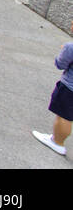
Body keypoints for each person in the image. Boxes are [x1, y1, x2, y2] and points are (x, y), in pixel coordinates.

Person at [32, 18, 73, 157]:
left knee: (64, 116)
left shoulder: (70, 47)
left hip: (69, 88)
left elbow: (60, 64)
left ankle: (57, 142)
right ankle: (56, 139)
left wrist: (62, 51)